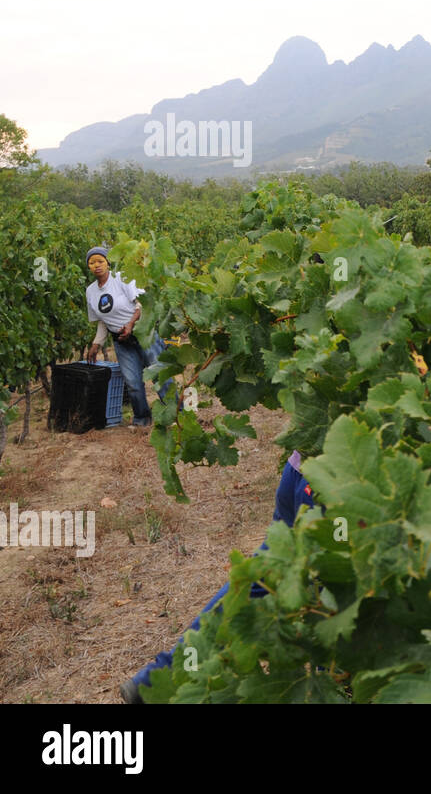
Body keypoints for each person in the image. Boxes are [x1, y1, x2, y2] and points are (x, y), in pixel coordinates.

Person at [121, 451, 312, 703]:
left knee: (255, 583)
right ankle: (336, 691)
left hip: (298, 473)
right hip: (324, 489)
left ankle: (158, 678)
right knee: (337, 594)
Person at [82, 246, 171, 426]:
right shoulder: (90, 291)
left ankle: (176, 415)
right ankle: (141, 419)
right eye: (92, 263)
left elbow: (142, 305)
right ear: (89, 267)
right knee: (133, 383)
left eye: (100, 261)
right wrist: (96, 344)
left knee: (160, 376)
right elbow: (102, 321)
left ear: (108, 262)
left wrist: (130, 325)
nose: (97, 265)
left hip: (144, 334)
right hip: (121, 341)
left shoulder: (121, 278)